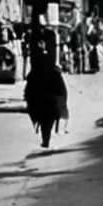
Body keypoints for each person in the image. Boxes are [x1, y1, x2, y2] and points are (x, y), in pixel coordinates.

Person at [23, 12, 68, 147]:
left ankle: (46, 136)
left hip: (42, 78)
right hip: (45, 78)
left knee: (34, 102)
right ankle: (46, 135)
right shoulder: (44, 37)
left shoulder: (43, 37)